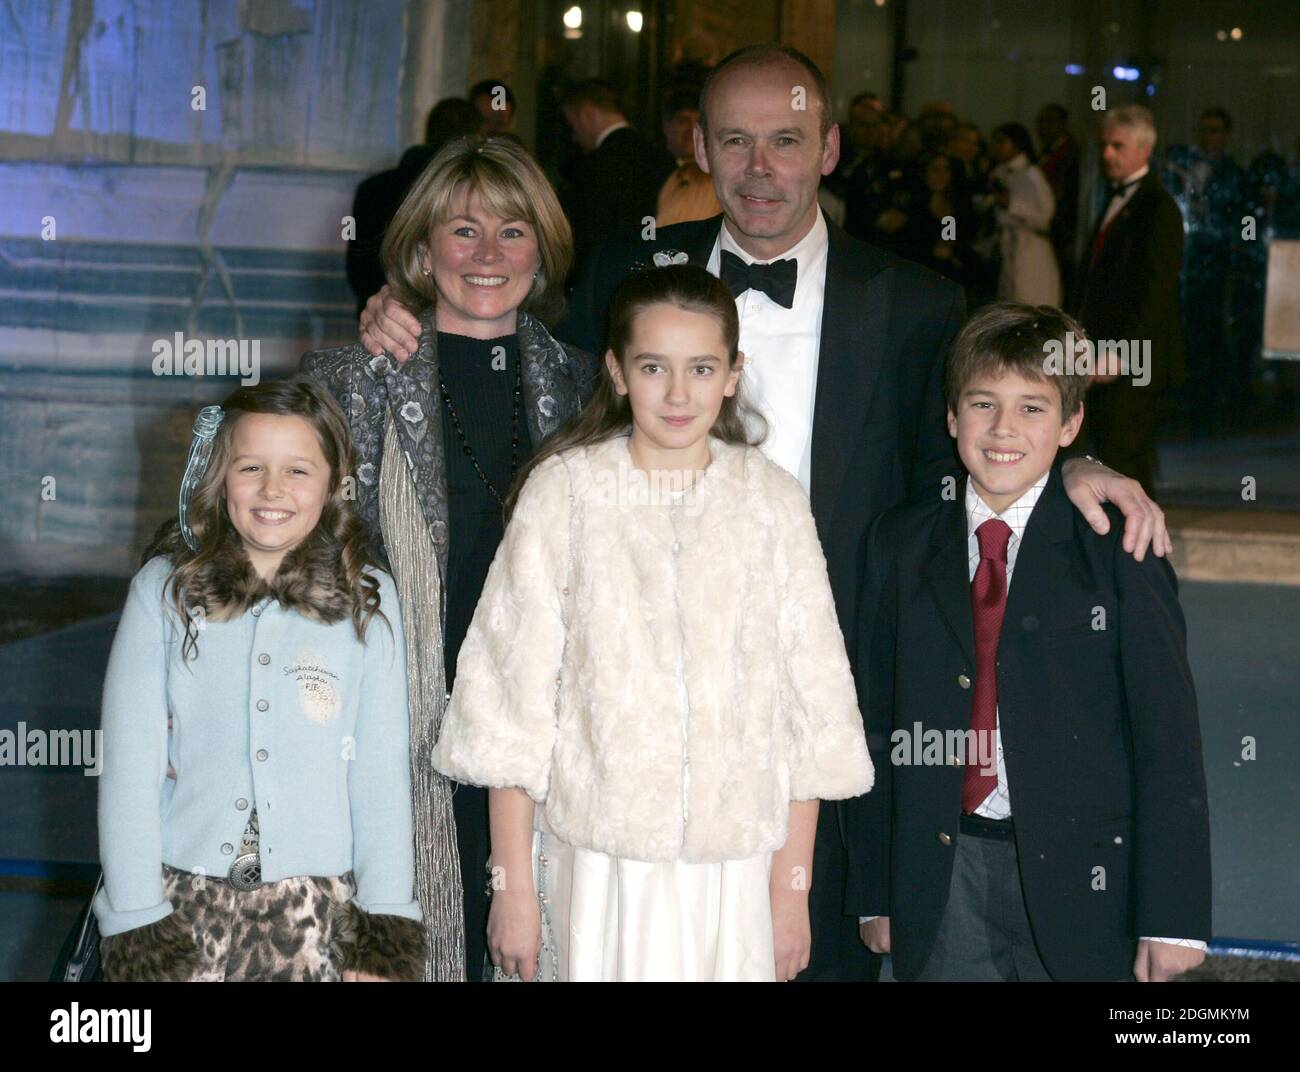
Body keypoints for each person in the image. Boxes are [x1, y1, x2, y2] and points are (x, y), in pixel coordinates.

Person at [358, 45, 1173, 981]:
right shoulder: (631, 273)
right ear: (698, 146)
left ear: (828, 148)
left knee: (817, 959)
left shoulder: (917, 302)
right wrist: (399, 304)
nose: (759, 169)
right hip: (631, 747)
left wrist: (1079, 468)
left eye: (785, 140)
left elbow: (1000, 418)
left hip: (830, 718)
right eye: (734, 141)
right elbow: (520, 358)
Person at [432, 264, 873, 981]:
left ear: (733, 373)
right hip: (598, 869)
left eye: (701, 368)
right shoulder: (565, 491)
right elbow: (505, 710)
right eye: (653, 367)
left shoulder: (773, 503)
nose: (677, 393)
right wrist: (511, 887)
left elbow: (814, 713)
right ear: (615, 371)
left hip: (734, 876)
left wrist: (791, 895)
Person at [303, 136, 598, 982]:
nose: (488, 255)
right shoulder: (348, 379)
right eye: (463, 231)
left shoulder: (586, 390)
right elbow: (220, 502)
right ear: (421, 250)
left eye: (513, 232)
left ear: (543, 251)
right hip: (392, 752)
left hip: (543, 749)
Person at [846, 304, 1211, 981]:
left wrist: (1174, 913)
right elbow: (872, 726)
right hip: (941, 876)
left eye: (1032, 409)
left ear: (1071, 424)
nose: (1003, 429)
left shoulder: (1118, 550)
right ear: (952, 416)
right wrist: (876, 890)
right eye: (982, 404)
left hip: (1084, 885)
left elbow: (1169, 740)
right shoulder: (900, 545)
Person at [94, 378, 425, 982]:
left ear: (332, 486)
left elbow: (379, 777)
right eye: (251, 467)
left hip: (321, 922)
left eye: (299, 470)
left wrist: (382, 936)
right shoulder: (163, 592)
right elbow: (129, 771)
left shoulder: (369, 601)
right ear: (221, 481)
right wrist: (140, 922)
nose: (273, 490)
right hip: (182, 913)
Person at [1074, 105, 1185, 494]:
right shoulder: (1118, 199)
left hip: (1135, 360)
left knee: (1125, 461)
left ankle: (1138, 548)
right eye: (1105, 145)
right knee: (1115, 456)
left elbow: (1157, 294)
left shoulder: (1158, 208)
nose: (1108, 155)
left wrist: (1121, 354)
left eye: (1117, 146)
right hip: (1111, 353)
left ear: (1143, 150)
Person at [346, 98, 483, 313]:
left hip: (380, 309)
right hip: (443, 313)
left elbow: (356, 263)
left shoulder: (371, 189)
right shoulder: (468, 193)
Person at [1163, 107, 1246, 437]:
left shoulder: (1233, 173)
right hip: (1182, 263)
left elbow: (1238, 222)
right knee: (1181, 329)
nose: (1209, 136)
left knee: (1208, 332)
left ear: (1226, 135)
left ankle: (1206, 403)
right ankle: (1181, 394)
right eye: (1205, 129)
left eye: (1215, 130)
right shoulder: (1180, 165)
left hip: (1212, 267)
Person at [560, 79, 676, 269]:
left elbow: (586, 237)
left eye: (572, 125)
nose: (574, 136)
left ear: (587, 115)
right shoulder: (659, 155)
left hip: (607, 269)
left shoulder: (591, 166)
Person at [987, 122, 1060, 306]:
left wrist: (1011, 204)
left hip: (1031, 247)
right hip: (1007, 248)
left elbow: (1046, 213)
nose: (996, 146)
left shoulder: (1032, 173)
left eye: (1001, 141)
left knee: (1031, 299)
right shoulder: (998, 173)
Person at [656, 83, 722, 227]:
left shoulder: (721, 175)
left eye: (699, 122)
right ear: (666, 126)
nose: (692, 130)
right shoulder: (650, 173)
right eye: (683, 121)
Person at [1036, 104, 1080, 297]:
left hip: (1063, 226)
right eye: (1041, 122)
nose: (1044, 127)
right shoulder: (1046, 152)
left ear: (1062, 124)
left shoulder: (1070, 151)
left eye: (1050, 121)